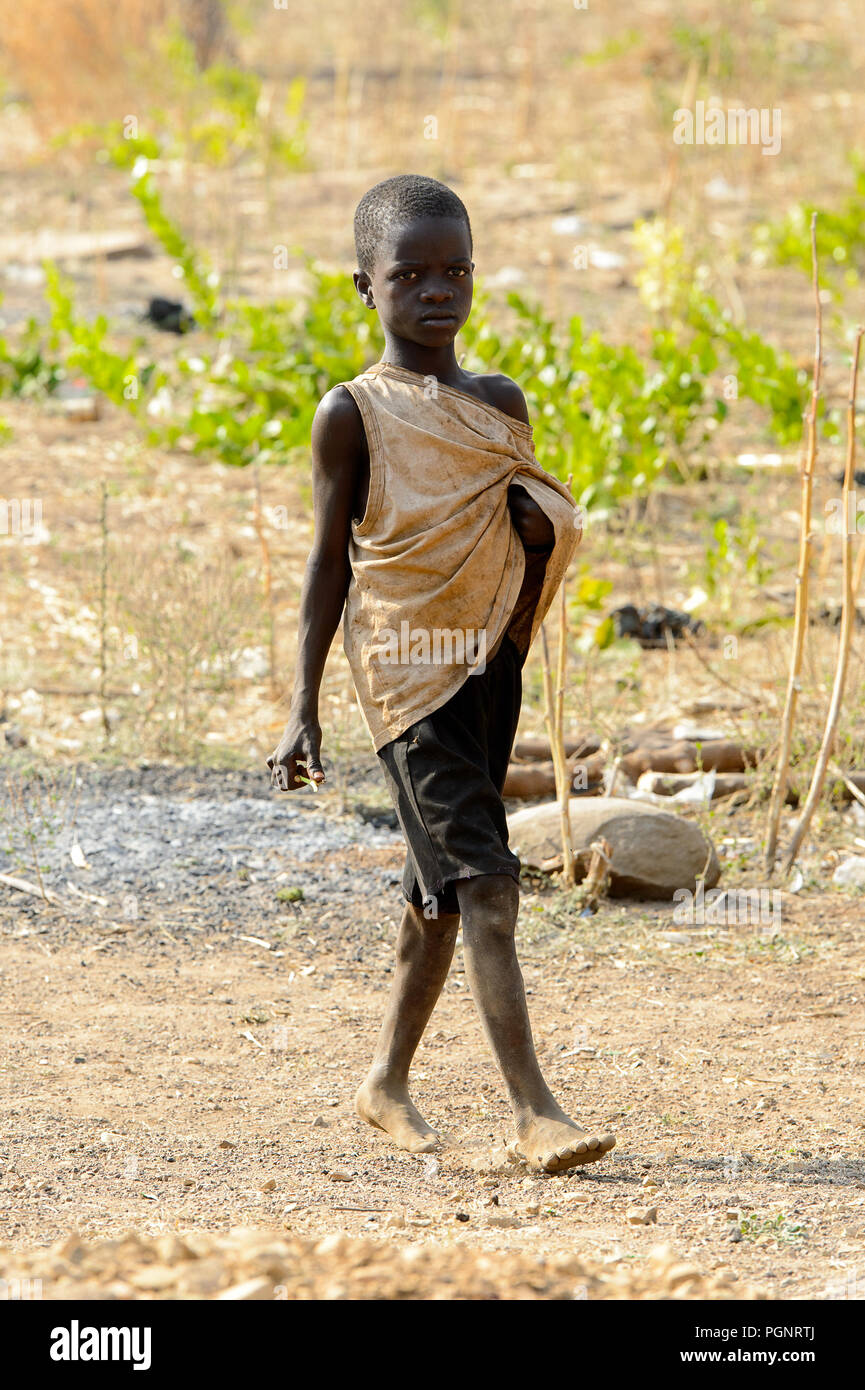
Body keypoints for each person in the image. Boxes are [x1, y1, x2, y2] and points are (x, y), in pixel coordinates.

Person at [267, 174, 615, 1174]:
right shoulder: (352, 415)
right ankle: (534, 1112)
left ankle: (383, 1082)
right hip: (404, 678)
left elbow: (531, 535)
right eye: (408, 273)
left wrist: (538, 535)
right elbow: (329, 563)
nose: (435, 290)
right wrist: (303, 708)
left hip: (482, 667)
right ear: (361, 287)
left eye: (453, 270)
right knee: (487, 881)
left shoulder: (495, 404)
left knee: (437, 892)